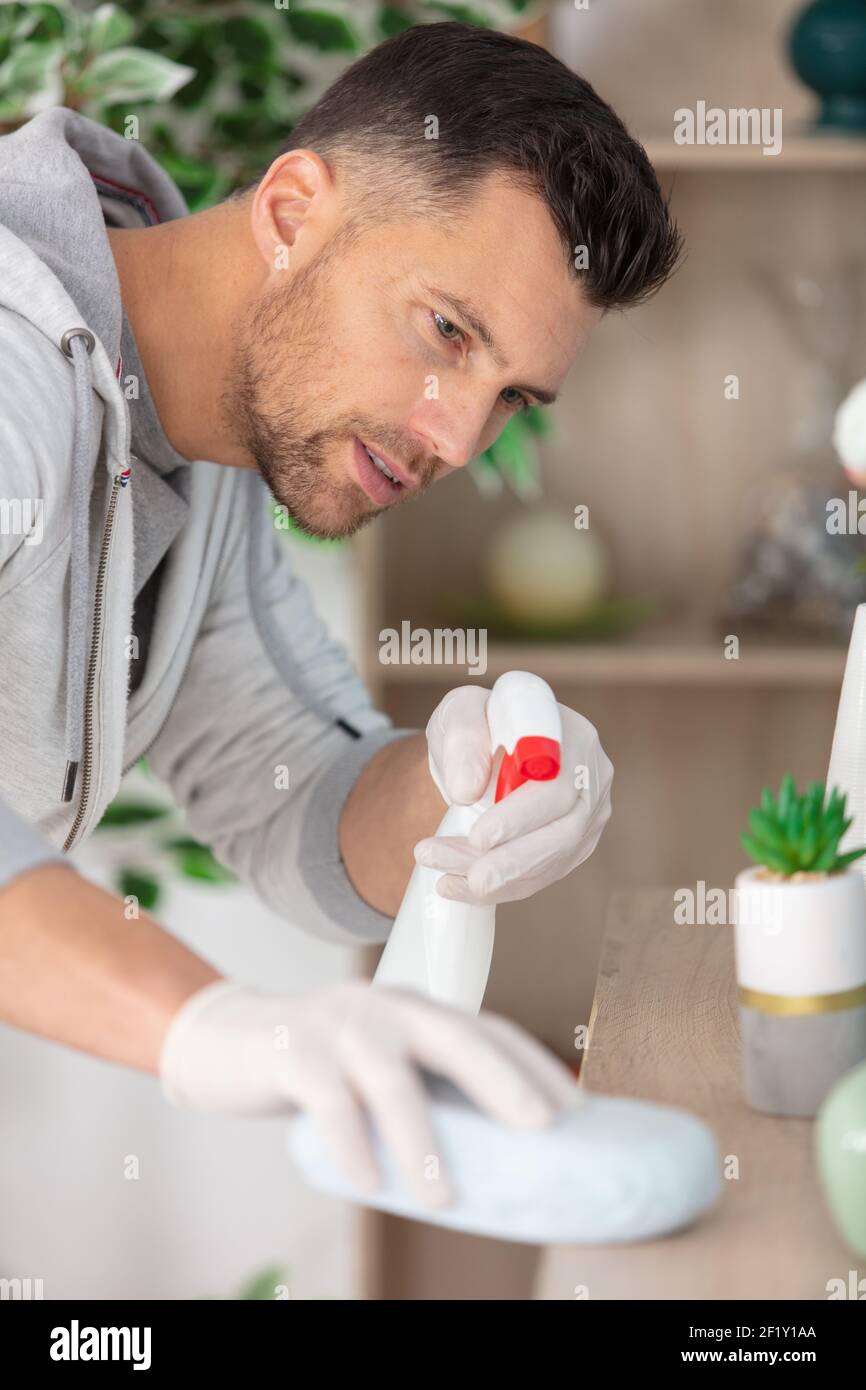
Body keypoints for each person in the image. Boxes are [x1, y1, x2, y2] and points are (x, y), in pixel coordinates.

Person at [0, 22, 680, 1207]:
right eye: (447, 331)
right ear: (292, 209)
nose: (457, 440)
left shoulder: (194, 435)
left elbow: (288, 793)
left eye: (509, 395)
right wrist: (209, 1027)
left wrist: (466, 789)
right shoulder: (14, 367)